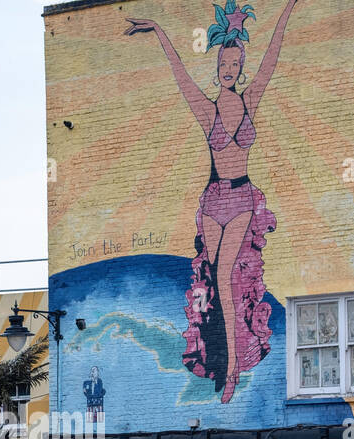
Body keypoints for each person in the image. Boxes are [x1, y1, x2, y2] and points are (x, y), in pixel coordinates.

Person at [125, 0, 298, 403]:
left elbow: (272, 58)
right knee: (215, 290)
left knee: (225, 280)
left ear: (241, 68)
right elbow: (179, 75)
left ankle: (234, 368)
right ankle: (218, 361)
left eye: (236, 64)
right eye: (224, 61)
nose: (229, 68)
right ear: (217, 63)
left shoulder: (251, 100)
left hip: (240, 199)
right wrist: (158, 30)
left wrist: (288, 7)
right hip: (213, 203)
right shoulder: (206, 110)